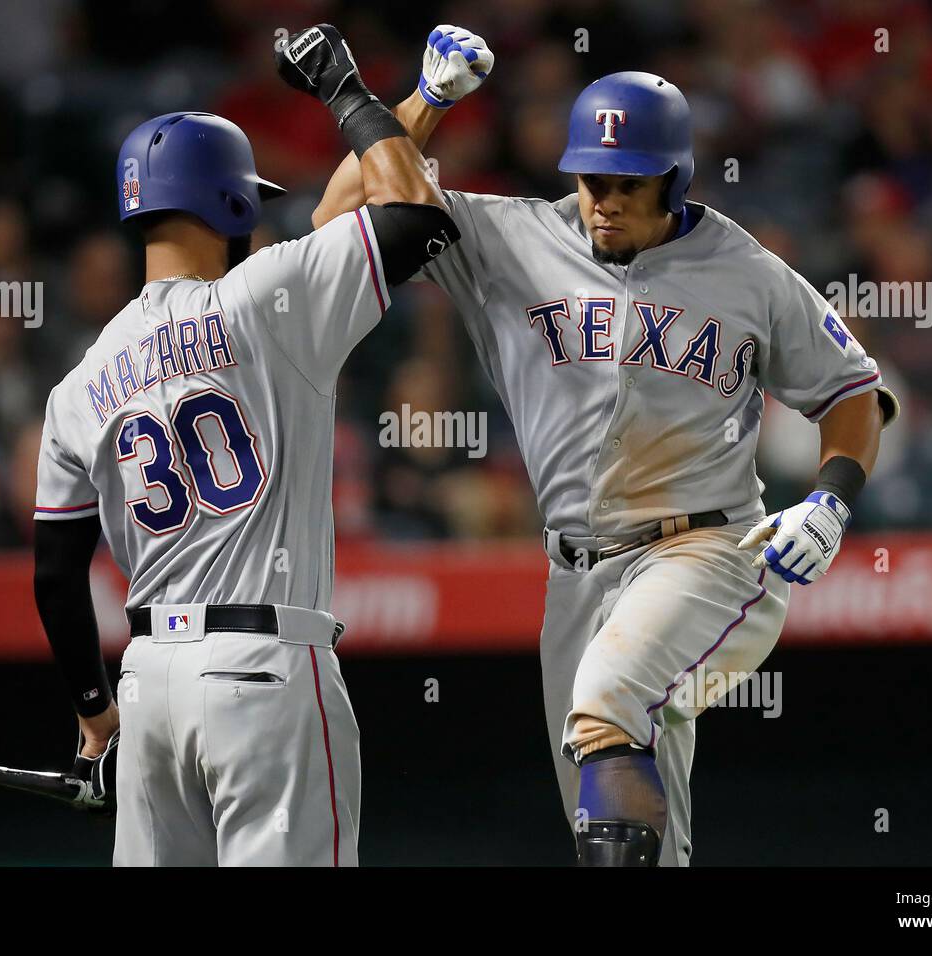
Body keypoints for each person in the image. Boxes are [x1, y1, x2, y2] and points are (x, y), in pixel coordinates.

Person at [314, 27, 899, 866]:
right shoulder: (511, 239)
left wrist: (832, 501)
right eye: (592, 179)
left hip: (705, 549)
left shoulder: (746, 269)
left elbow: (852, 392)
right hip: (575, 574)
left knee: (608, 703)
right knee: (613, 795)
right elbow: (337, 219)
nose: (605, 199)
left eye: (629, 184)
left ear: (675, 179)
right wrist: (427, 102)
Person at [31, 23, 459, 866]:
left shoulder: (78, 383)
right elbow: (412, 215)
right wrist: (347, 91)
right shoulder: (264, 303)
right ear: (228, 205)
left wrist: (95, 716)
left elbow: (53, 577)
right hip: (266, 667)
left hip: (147, 682)